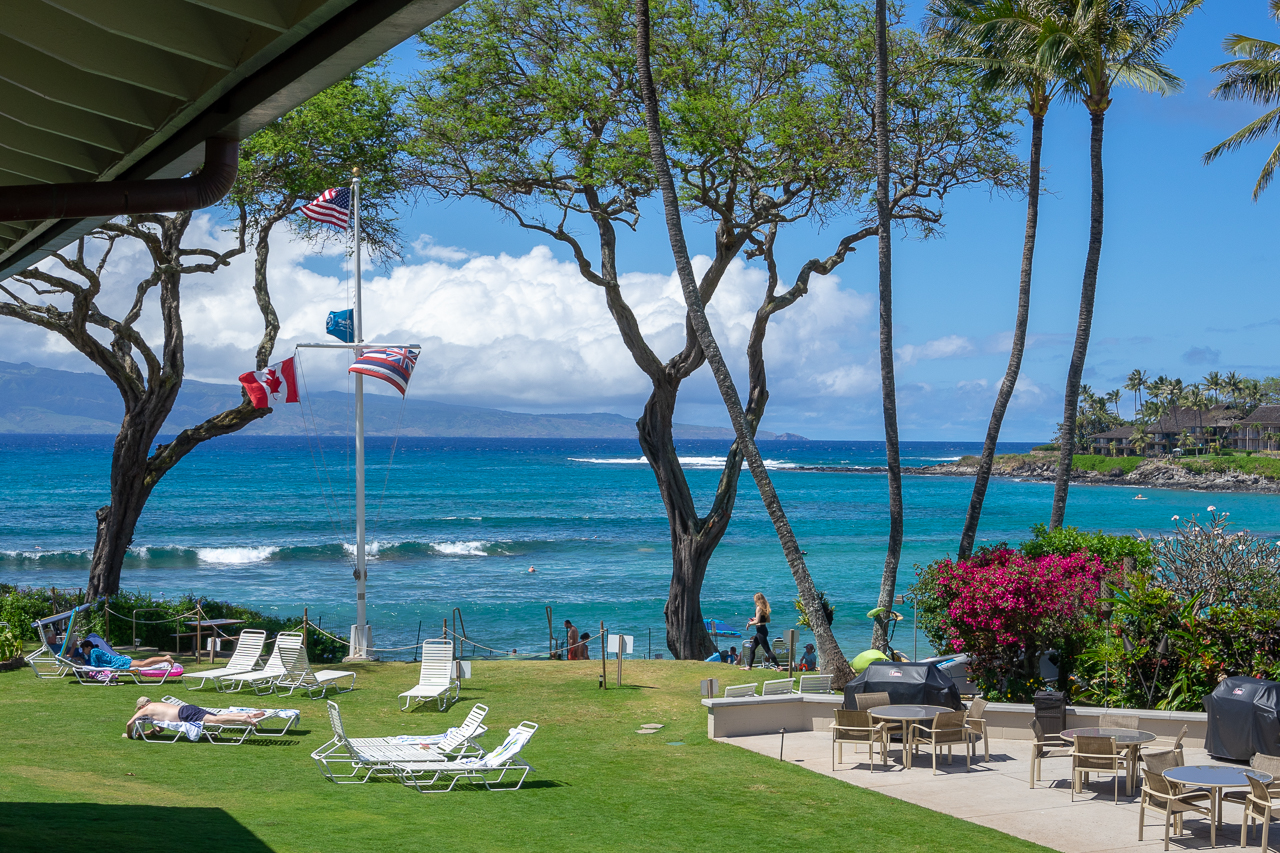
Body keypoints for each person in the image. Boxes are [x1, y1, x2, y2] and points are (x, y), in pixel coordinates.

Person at [125, 696, 265, 739]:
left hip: (185, 714)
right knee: (219, 717)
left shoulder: (145, 710)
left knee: (215, 720)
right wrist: (147, 733)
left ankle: (244, 719)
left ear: (142, 707)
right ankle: (249, 715)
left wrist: (130, 736)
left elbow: (129, 723)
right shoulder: (157, 706)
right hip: (188, 709)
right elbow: (161, 729)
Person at [79, 639, 173, 671]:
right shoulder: (95, 650)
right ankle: (164, 659)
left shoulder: (93, 652)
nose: (84, 652)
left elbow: (95, 666)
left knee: (143, 664)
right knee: (143, 663)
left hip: (119, 662)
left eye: (84, 649)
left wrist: (85, 666)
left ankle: (165, 658)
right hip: (119, 661)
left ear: (88, 647)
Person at [744, 592, 779, 669]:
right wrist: (756, 619)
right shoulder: (765, 608)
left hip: (760, 631)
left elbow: (757, 622)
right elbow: (767, 620)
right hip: (763, 630)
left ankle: (779, 666)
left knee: (768, 650)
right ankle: (749, 666)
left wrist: (750, 623)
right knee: (752, 648)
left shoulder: (759, 608)